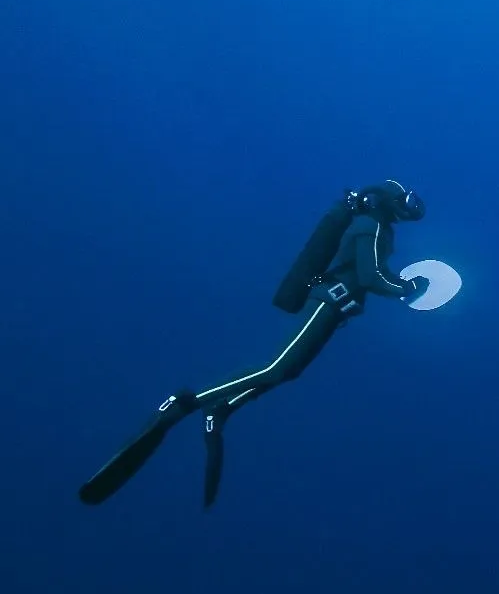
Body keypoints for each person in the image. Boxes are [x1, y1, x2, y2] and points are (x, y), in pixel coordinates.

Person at [78, 180, 430, 509]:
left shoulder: (375, 226)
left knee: (288, 372)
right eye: (405, 201)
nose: (410, 207)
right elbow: (371, 275)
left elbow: (369, 273)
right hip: (327, 303)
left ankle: (222, 408)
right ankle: (184, 404)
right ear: (389, 203)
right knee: (275, 367)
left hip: (335, 308)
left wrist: (397, 284)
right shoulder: (373, 226)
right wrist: (405, 288)